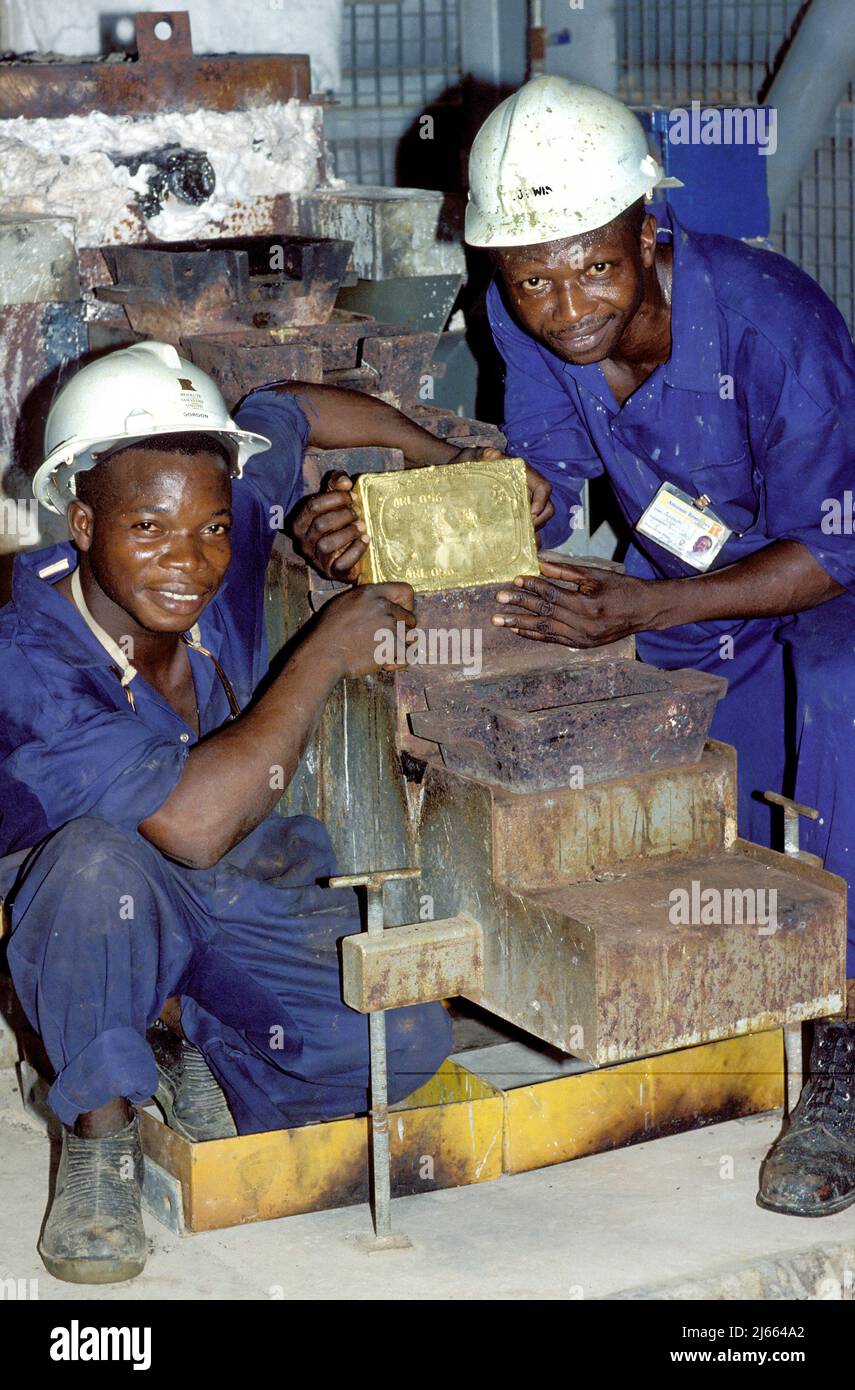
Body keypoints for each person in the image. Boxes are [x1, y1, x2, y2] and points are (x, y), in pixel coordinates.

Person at [300, 76, 855, 1220]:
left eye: (595, 265)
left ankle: (843, 1044)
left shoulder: (774, 324)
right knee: (657, 725)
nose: (565, 306)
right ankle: (739, 973)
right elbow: (544, 493)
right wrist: (407, 515)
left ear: (648, 230)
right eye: (532, 276)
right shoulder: (529, 315)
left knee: (836, 701)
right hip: (682, 588)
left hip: (817, 579)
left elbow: (835, 548)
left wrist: (648, 611)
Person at [1, 340, 537, 1283]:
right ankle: (99, 1130)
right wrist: (326, 650)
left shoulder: (225, 523)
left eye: (211, 529)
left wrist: (440, 459)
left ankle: (171, 1038)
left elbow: (286, 405)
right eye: (148, 530)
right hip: (85, 901)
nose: (191, 562)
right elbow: (194, 824)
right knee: (95, 863)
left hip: (230, 879)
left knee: (399, 1039)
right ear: (82, 523)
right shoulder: (28, 659)